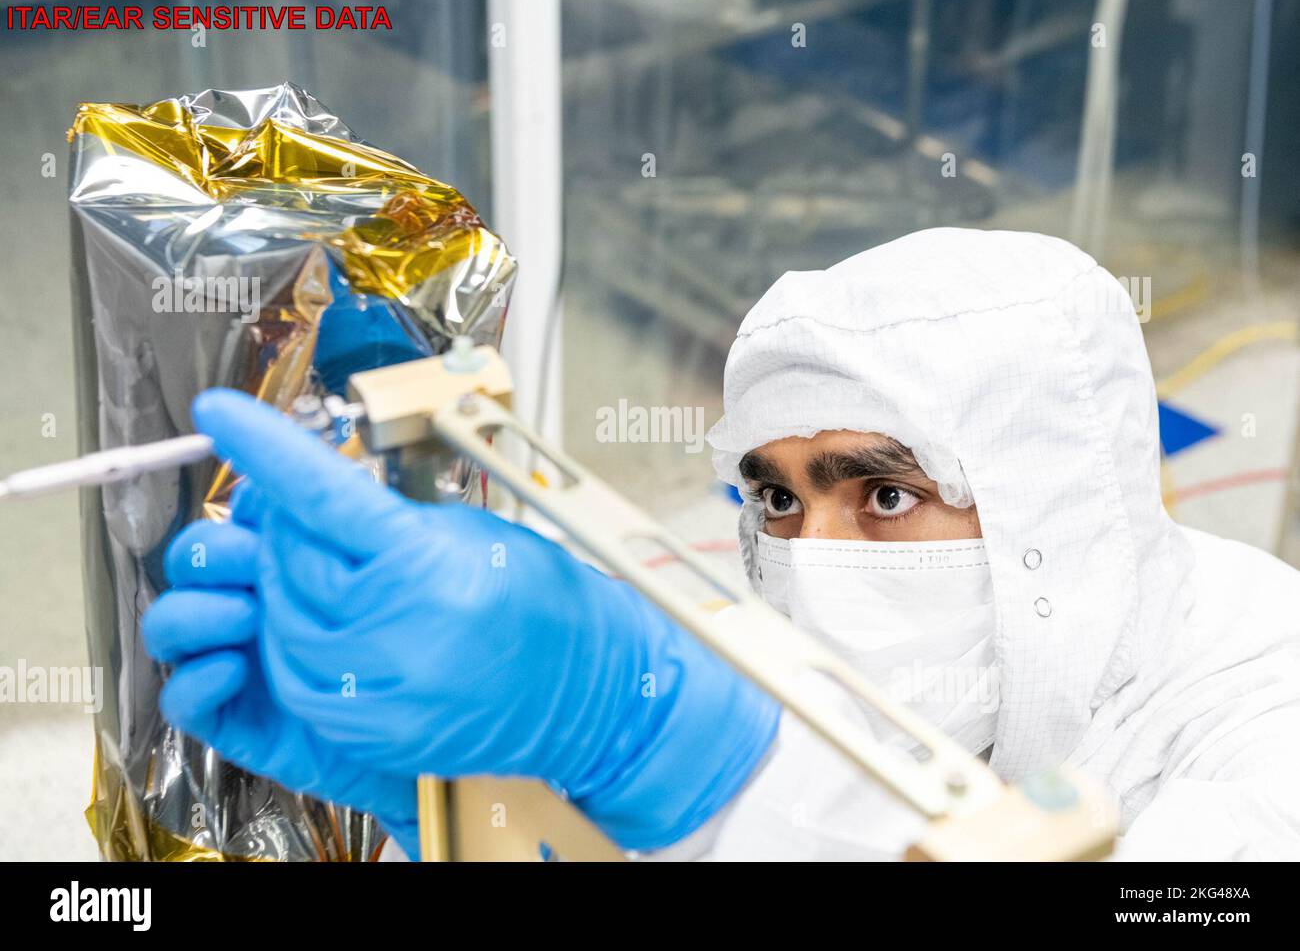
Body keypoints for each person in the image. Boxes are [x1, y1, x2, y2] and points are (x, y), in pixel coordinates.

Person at [142, 228, 1300, 860]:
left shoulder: (1264, 709)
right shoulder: (771, 650)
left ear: (1050, 506)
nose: (815, 554)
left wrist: (656, 744)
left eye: (884, 497)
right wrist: (486, 806)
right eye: (778, 501)